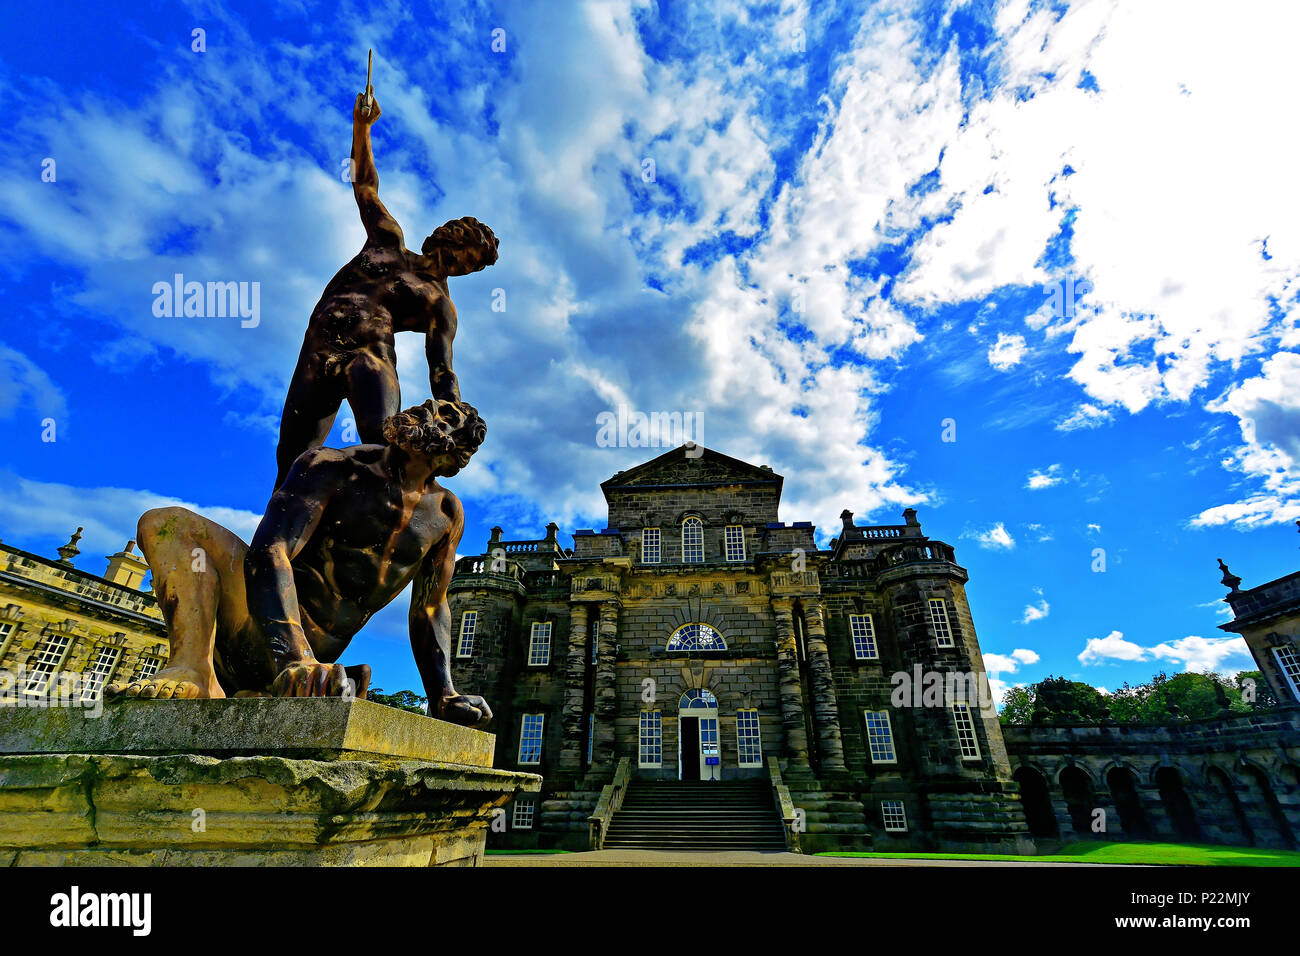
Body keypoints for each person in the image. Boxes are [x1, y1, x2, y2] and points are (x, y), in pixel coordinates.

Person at [107, 398, 492, 729]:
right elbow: (271, 551)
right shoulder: (332, 466)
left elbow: (430, 607)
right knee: (164, 522)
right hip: (254, 625)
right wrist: (294, 657)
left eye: (447, 414)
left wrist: (444, 695)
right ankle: (193, 668)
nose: (430, 407)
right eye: (431, 404)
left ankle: (261, 684)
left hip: (315, 665)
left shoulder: (445, 514)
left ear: (456, 453)